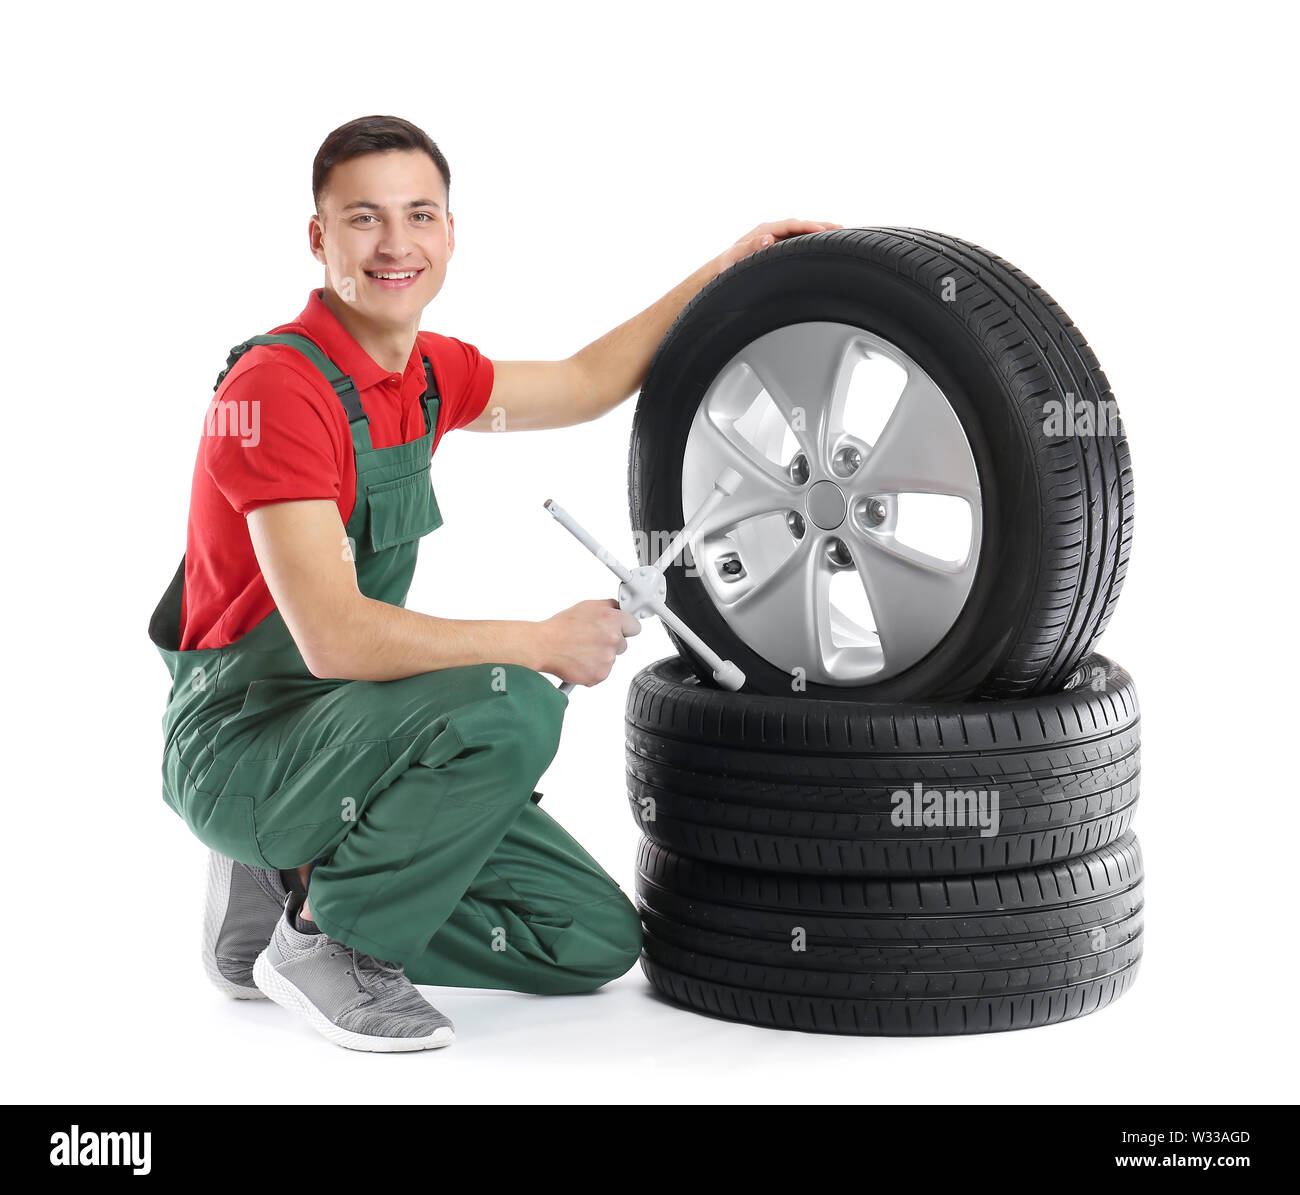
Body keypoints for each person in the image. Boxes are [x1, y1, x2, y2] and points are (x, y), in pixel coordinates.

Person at [148, 113, 840, 1052]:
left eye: (420, 215)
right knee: (511, 706)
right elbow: (334, 640)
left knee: (588, 941)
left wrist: (727, 268)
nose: (397, 244)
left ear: (450, 233)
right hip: (246, 740)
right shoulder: (275, 392)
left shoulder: (426, 376)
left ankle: (286, 879)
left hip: (357, 737)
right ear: (318, 237)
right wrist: (539, 642)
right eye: (364, 218)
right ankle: (328, 941)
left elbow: (587, 379)